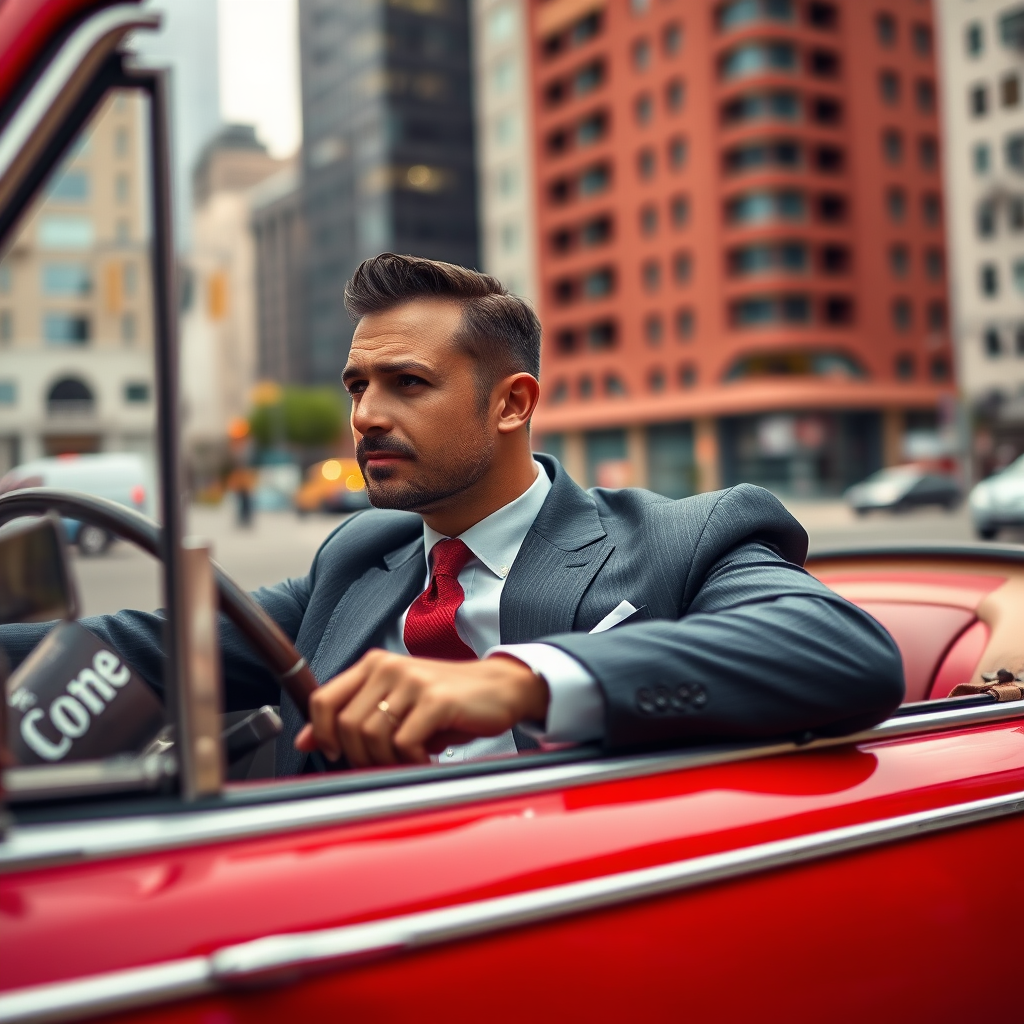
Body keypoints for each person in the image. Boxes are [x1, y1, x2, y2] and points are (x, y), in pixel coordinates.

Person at [0, 254, 904, 774]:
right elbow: (151, 644)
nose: (365, 416)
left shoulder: (680, 536)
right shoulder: (358, 558)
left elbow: (844, 651)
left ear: (512, 404)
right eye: (358, 384)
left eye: (408, 384)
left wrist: (516, 680)